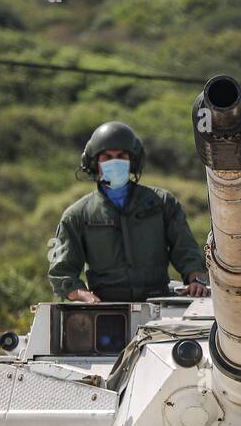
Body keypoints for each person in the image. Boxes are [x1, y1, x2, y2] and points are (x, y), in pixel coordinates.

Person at [49, 121, 210, 302]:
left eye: (121, 156)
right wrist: (84, 295)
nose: (114, 162)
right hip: (106, 307)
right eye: (107, 157)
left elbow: (186, 249)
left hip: (157, 304)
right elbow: (62, 273)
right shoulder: (77, 215)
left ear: (132, 161)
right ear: (94, 162)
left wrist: (196, 279)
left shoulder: (162, 203)